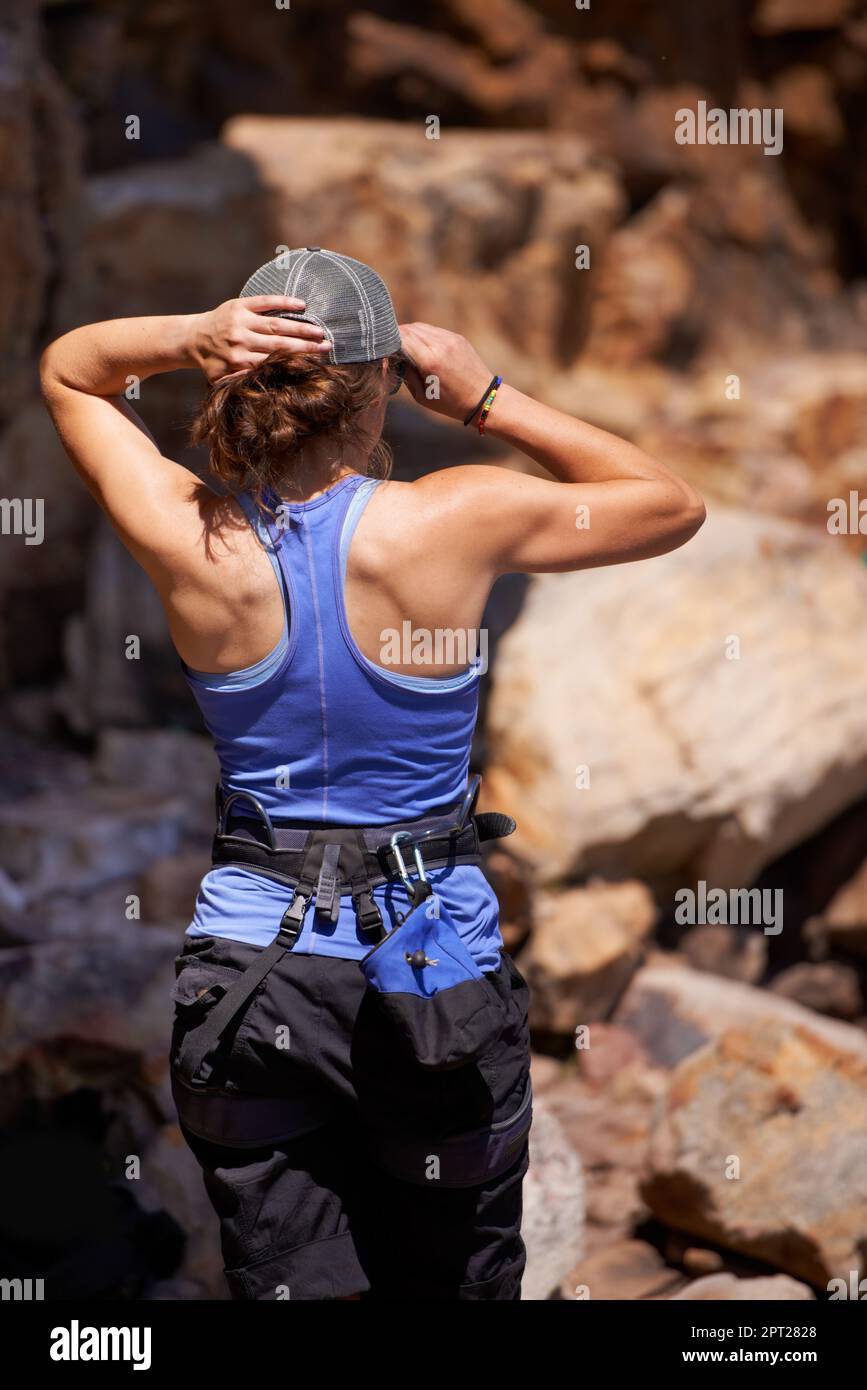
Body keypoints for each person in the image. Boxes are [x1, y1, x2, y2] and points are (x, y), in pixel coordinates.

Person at [39, 248, 705, 1301]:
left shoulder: (187, 533)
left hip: (253, 974)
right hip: (433, 969)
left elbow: (70, 371)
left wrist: (186, 335)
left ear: (235, 372)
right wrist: (490, 396)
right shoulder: (457, 516)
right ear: (388, 380)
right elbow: (668, 504)